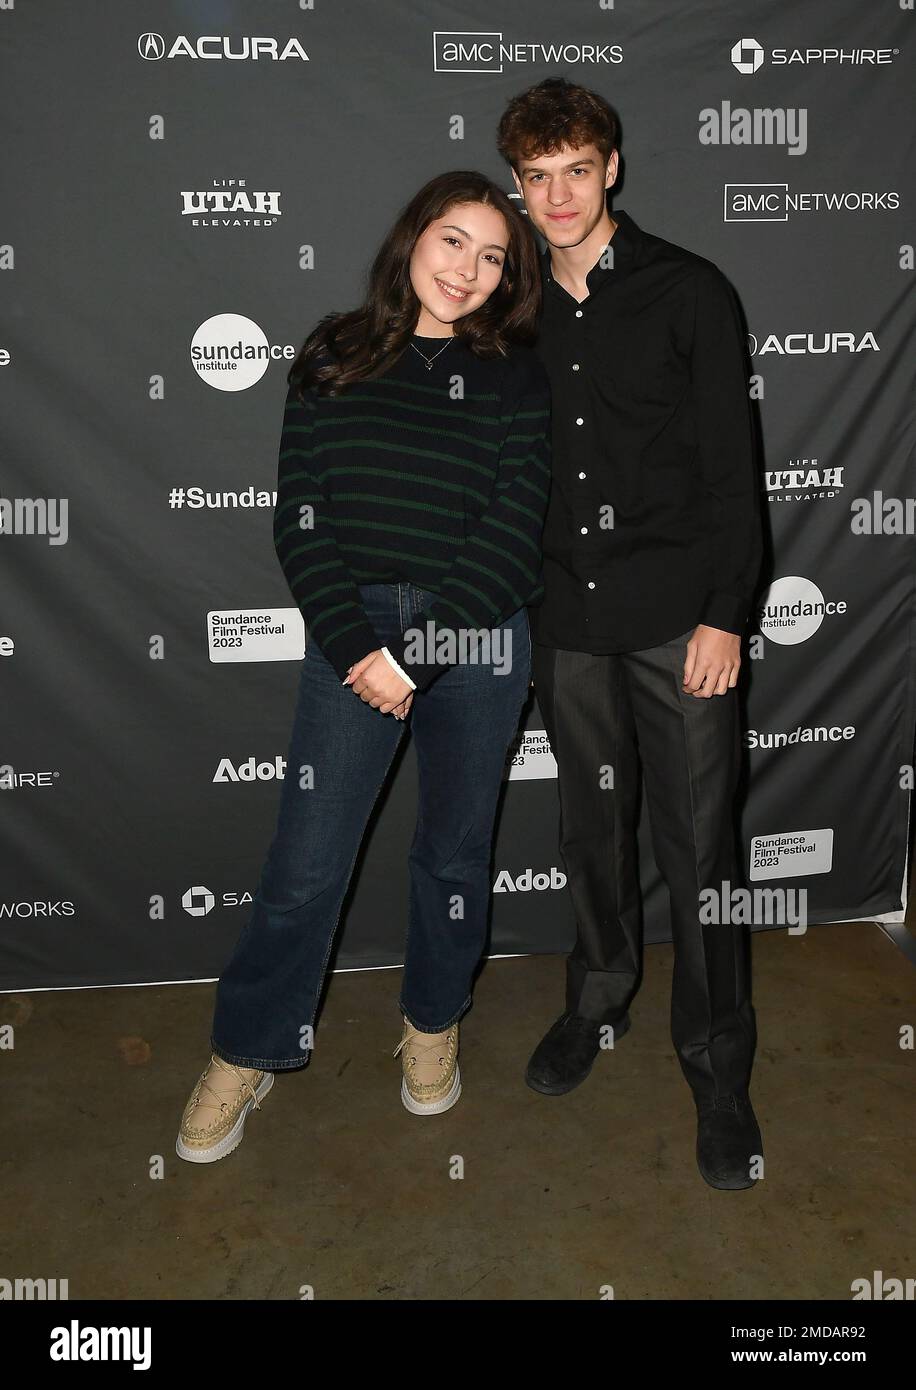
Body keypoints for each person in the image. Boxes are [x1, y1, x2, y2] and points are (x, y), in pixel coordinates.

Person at [176, 170, 552, 1163]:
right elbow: (299, 517)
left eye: (492, 257)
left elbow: (515, 537)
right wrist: (362, 650)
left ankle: (431, 1023)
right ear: (412, 238)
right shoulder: (337, 348)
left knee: (454, 854)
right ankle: (246, 1047)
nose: (467, 269)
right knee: (304, 866)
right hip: (354, 632)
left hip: (475, 638)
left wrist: (416, 658)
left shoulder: (516, 372)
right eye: (452, 240)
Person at [496, 78, 765, 1190]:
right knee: (590, 837)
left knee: (700, 853)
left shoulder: (688, 291)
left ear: (611, 169)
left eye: (575, 169)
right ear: (518, 189)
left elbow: (733, 473)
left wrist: (724, 615)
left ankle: (717, 1070)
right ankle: (595, 1005)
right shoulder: (509, 309)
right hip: (566, 619)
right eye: (535, 177)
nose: (557, 194)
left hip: (677, 622)